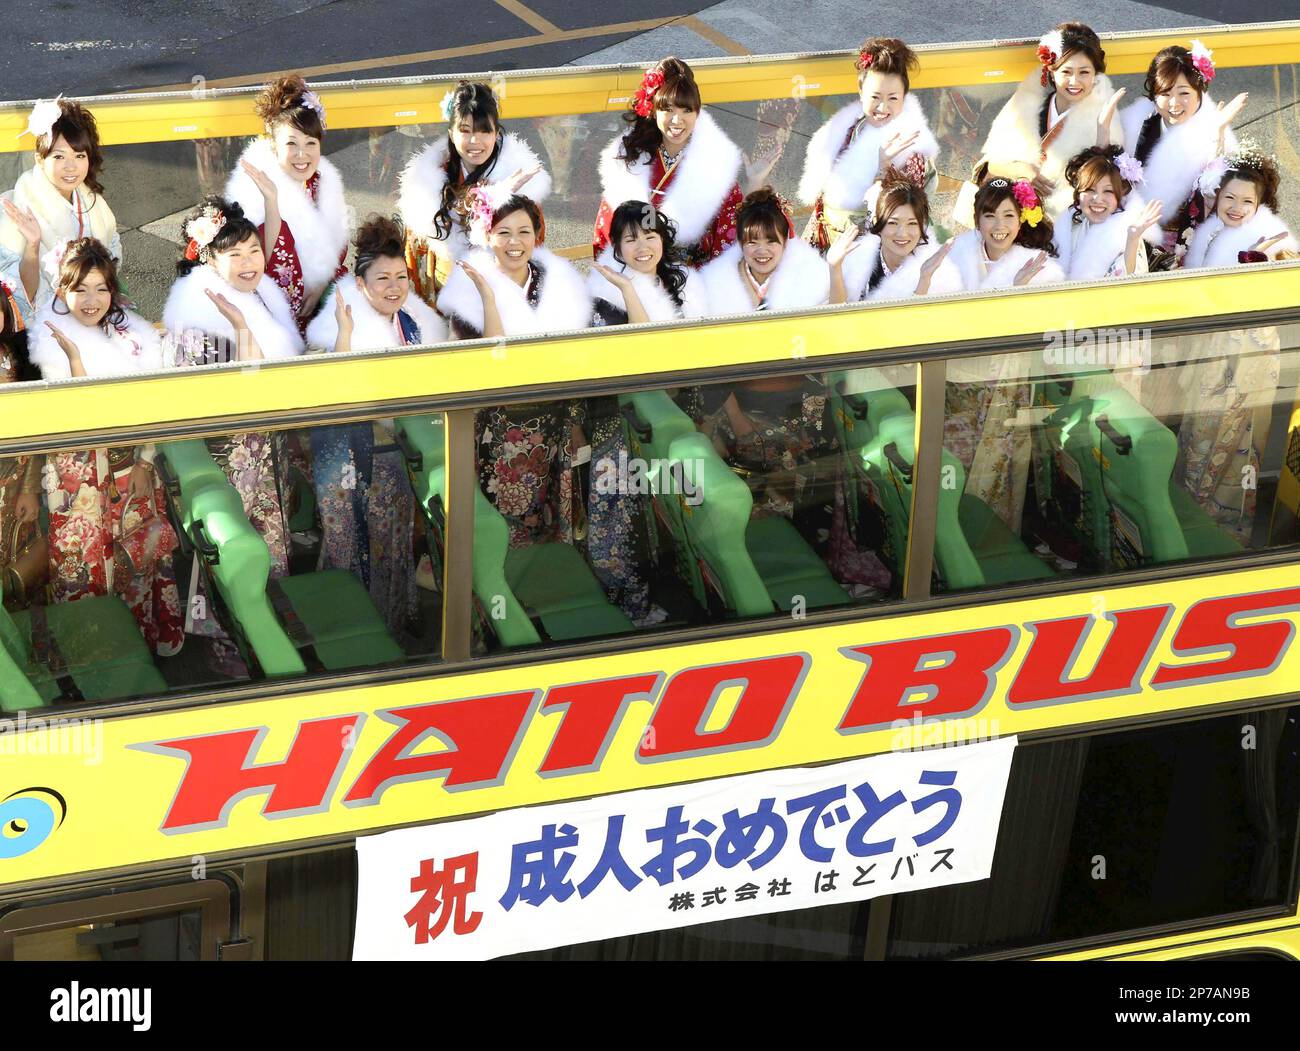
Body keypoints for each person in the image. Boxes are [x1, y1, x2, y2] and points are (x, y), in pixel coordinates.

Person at [29, 237, 183, 655]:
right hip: (80, 479)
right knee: (84, 567)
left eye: (101, 288)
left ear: (113, 291)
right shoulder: (51, 340)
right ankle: (89, 654)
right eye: (81, 289)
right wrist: (76, 359)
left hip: (129, 465)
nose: (91, 299)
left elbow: (153, 404)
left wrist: (145, 461)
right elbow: (79, 419)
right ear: (63, 291)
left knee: (137, 559)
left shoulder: (132, 333)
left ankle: (136, 648)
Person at [305, 216, 446, 635]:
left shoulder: (412, 324)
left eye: (400, 277)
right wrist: (345, 335)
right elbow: (330, 396)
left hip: (394, 452)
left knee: (392, 542)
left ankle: (391, 626)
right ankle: (348, 632)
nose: (393, 286)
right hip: (347, 453)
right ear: (361, 284)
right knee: (346, 542)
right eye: (381, 278)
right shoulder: (334, 326)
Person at [162, 197, 304, 606]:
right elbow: (236, 392)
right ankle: (233, 646)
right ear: (209, 260)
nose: (249, 261)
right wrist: (241, 329)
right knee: (233, 546)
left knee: (269, 541)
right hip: (225, 452)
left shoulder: (258, 294)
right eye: (234, 254)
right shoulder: (201, 318)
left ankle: (270, 638)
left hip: (263, 444)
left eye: (254, 250)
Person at [437, 191, 592, 550]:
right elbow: (485, 368)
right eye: (503, 232)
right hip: (496, 431)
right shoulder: (468, 290)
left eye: (524, 231)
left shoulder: (558, 284)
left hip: (553, 423)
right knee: (502, 529)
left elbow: (572, 364)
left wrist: (574, 422)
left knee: (553, 524)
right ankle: (501, 598)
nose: (514, 242)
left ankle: (542, 596)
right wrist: (489, 300)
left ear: (537, 235)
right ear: (486, 235)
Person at [1174, 151, 1295, 540]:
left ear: (1260, 206)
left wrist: (1266, 261)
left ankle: (1220, 534)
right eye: (1230, 198)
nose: (1237, 208)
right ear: (1216, 196)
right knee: (1197, 437)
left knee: (1234, 446)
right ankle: (1189, 519)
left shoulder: (1270, 238)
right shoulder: (1209, 232)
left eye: (1247, 201)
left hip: (1244, 358)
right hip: (1208, 354)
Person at [946, 178, 1065, 533]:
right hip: (957, 379)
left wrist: (1017, 295)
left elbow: (1044, 333)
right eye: (990, 216)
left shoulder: (1039, 267)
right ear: (977, 220)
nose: (1000, 227)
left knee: (997, 461)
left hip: (1005, 383)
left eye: (1009, 216)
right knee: (956, 458)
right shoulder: (957, 255)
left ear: (1022, 218)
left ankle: (990, 538)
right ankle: (947, 539)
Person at [398, 81, 552, 306]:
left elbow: (531, 241)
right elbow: (418, 251)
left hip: (500, 284)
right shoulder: (429, 180)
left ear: (496, 133)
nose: (474, 141)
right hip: (445, 285)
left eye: (484, 131)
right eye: (465, 130)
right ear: (451, 133)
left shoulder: (517, 176)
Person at [593, 57, 744, 266]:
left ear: (697, 112)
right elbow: (607, 231)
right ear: (653, 111)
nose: (677, 120)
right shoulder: (630, 161)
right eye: (668, 109)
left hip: (693, 279)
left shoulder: (715, 165)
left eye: (686, 110)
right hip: (637, 273)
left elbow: (729, 237)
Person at [225, 75, 349, 330]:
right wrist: (272, 202)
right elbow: (257, 258)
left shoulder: (323, 183)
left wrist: (320, 283)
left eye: (310, 143)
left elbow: (336, 249)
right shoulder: (252, 189)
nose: (302, 155)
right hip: (270, 309)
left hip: (315, 300)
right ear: (273, 145)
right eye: (291, 143)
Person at [797, 37, 938, 253]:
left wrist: (885, 170)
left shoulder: (910, 151)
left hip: (867, 254)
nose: (883, 107)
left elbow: (903, 221)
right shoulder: (847, 128)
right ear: (861, 90)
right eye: (875, 96)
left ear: (904, 97)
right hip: (827, 241)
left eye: (893, 98)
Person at [972, 23, 1124, 221]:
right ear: (1051, 71)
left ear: (1095, 74)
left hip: (1071, 222)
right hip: (1013, 220)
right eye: (1066, 72)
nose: (1074, 82)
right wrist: (1021, 171)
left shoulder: (1105, 117)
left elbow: (1108, 185)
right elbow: (991, 163)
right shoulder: (1027, 102)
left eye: (1084, 72)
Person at [1113, 41, 1247, 261]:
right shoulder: (1135, 123)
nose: (1174, 103)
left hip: (1190, 241)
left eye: (1184, 92)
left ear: (1199, 92)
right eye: (1165, 93)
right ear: (1154, 95)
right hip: (1135, 236)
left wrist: (1219, 134)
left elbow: (1220, 192)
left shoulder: (1214, 130)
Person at [0, 98, 121, 308]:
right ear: (39, 158)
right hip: (43, 324)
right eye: (59, 156)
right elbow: (18, 298)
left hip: (89, 310)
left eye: (79, 155)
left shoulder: (92, 201)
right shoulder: (16, 209)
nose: (71, 167)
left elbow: (111, 264)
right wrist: (33, 245)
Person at [828, 172, 961, 303]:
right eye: (892, 223)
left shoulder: (939, 274)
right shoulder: (858, 260)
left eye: (912, 223)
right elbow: (836, 315)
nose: (902, 233)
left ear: (922, 226)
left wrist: (924, 280)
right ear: (878, 223)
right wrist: (835, 267)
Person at [1053, 146, 1162, 280]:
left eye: (1108, 191)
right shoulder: (1070, 226)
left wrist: (1132, 240)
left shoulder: (1127, 231)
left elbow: (1128, 282)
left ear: (1119, 195)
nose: (1097, 199)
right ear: (1078, 193)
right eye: (1090, 190)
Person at [0, 282, 43, 609]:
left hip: (14, 483)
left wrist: (30, 487)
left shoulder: (17, 355)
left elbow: (35, 429)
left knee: (19, 565)